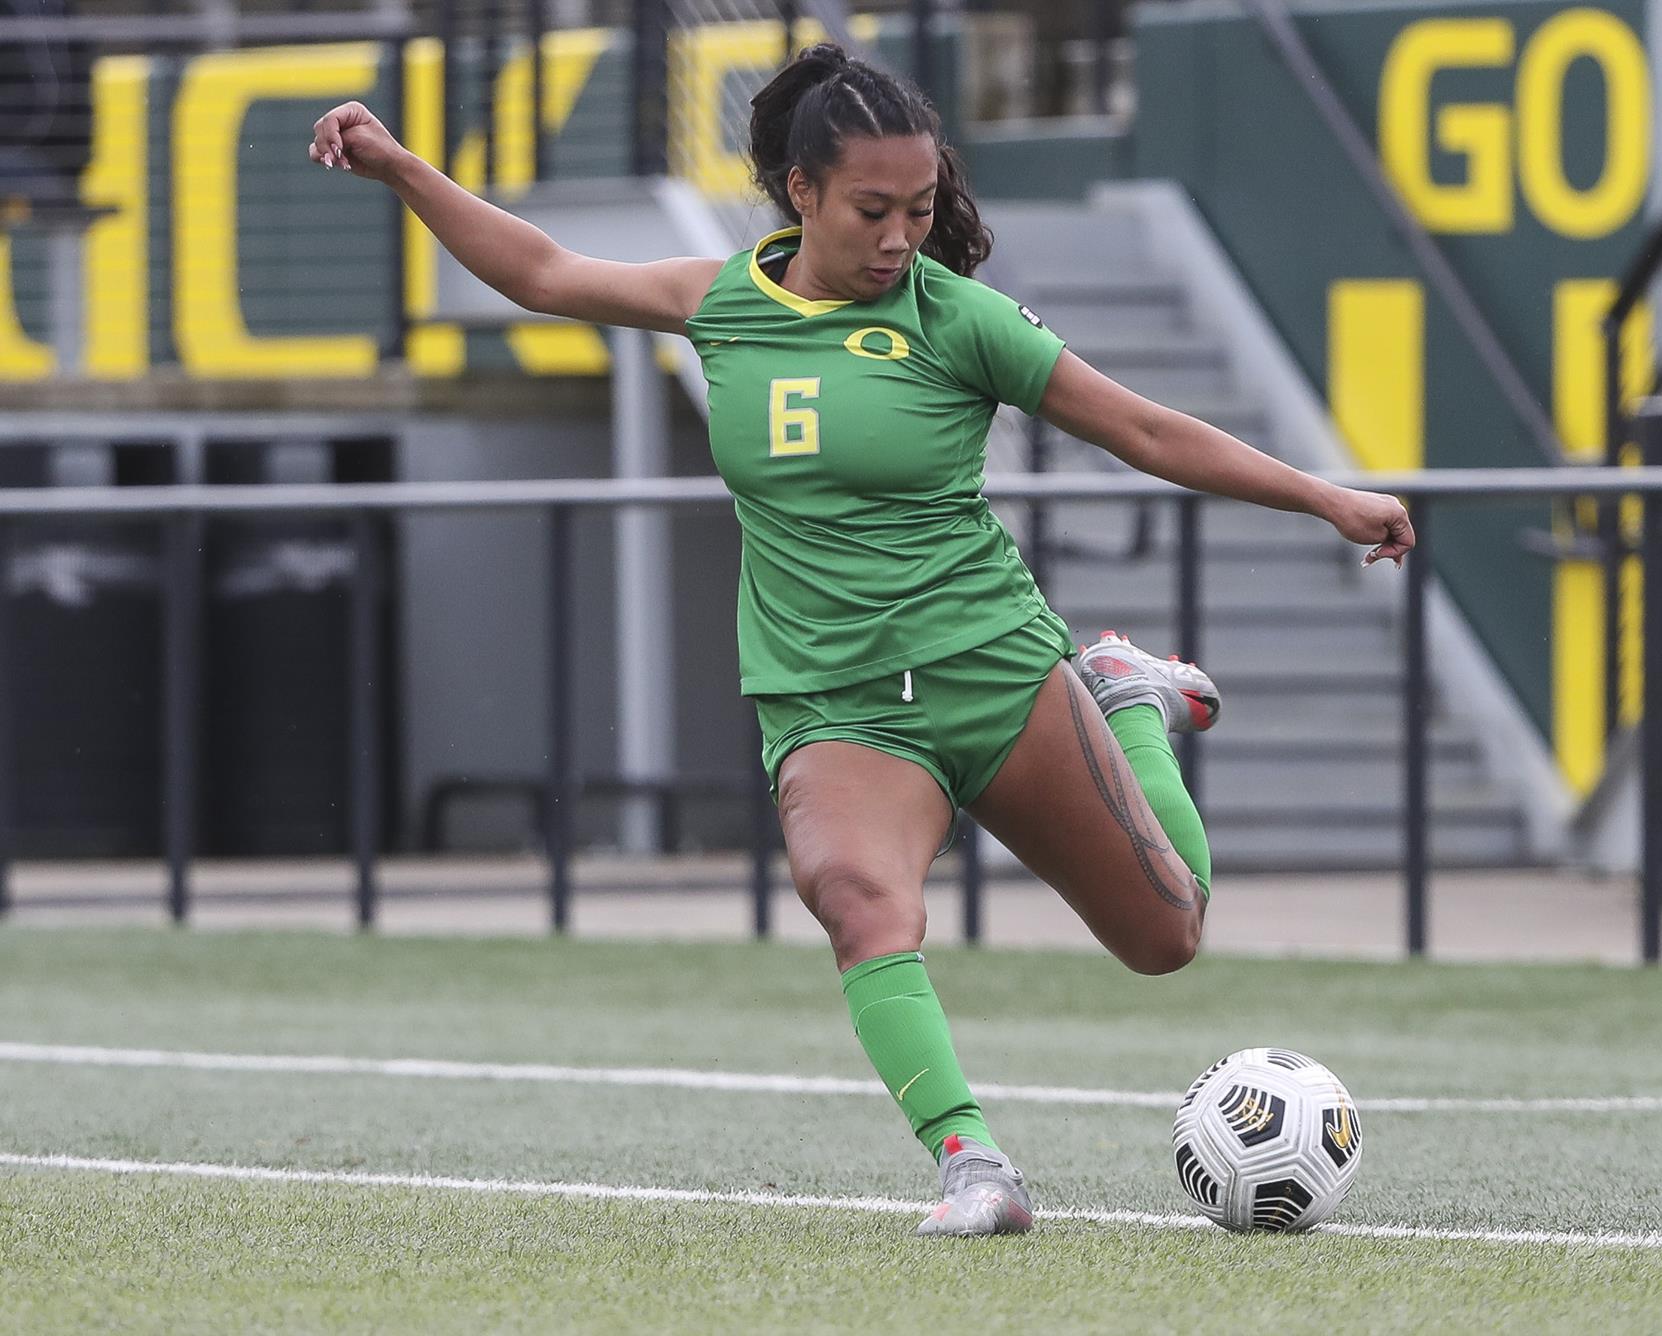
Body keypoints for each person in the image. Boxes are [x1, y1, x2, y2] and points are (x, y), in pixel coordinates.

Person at [308, 43, 1413, 1237]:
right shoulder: (722, 301)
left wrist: (1325, 497)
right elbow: (541, 269)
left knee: (1167, 933)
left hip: (990, 670)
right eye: (873, 210)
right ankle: (971, 1163)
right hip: (834, 702)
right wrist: (402, 168)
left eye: (923, 209)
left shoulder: (960, 320)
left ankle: (1125, 697)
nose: (900, 237)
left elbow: (1142, 430)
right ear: (801, 193)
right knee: (856, 901)